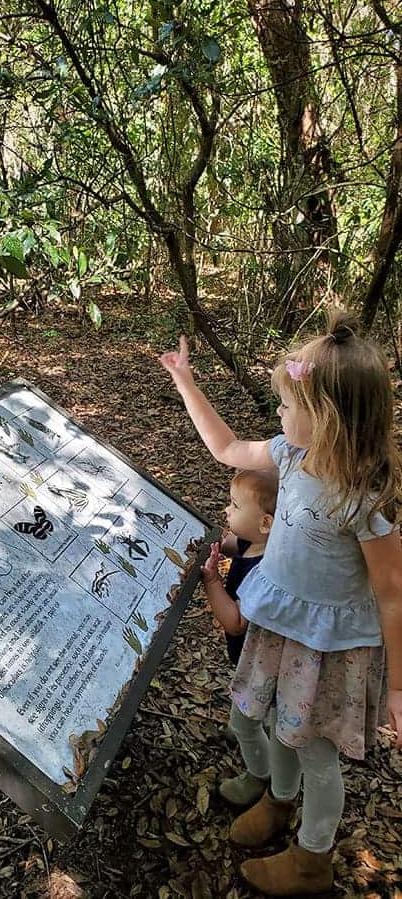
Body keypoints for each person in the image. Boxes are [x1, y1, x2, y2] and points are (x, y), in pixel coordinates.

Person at [159, 312, 402, 896]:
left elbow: (393, 594)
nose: (279, 413)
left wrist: (399, 687)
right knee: (272, 720)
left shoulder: (363, 499)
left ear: (329, 418)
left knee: (315, 752)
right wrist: (186, 382)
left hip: (328, 647)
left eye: (288, 405)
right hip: (280, 626)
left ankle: (312, 859)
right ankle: (279, 799)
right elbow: (226, 448)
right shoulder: (291, 456)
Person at [200, 468, 278, 807]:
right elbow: (228, 544)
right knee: (265, 714)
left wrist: (212, 582)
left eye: (235, 505)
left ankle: (260, 775)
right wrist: (210, 544)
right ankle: (262, 727)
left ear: (265, 522)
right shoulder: (252, 542)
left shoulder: (265, 569)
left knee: (245, 723)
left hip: (263, 665)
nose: (226, 510)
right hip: (253, 660)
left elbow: (235, 622)